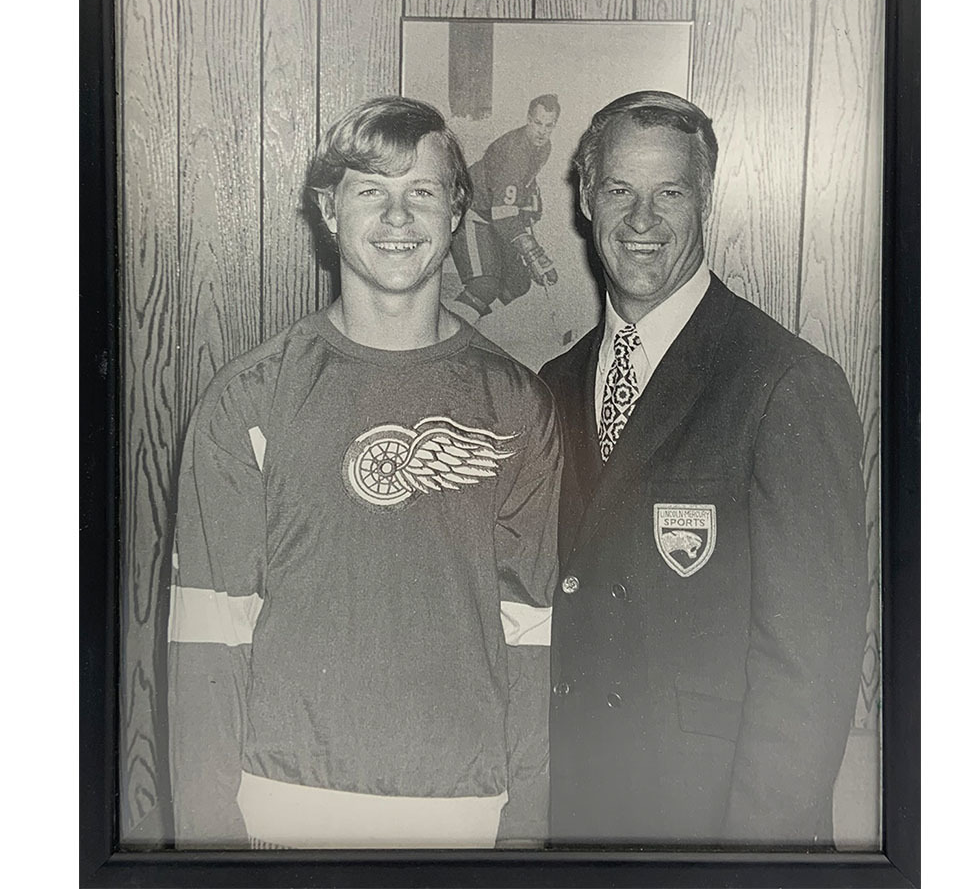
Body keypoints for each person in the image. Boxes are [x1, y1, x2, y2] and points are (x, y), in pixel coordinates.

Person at [168, 96, 561, 850]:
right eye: (370, 190)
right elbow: (206, 642)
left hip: (464, 807)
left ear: (456, 213)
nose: (397, 217)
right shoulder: (251, 398)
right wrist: (210, 847)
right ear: (327, 208)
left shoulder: (517, 405)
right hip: (284, 805)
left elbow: (533, 636)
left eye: (422, 192)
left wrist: (525, 830)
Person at [538, 91, 868, 847]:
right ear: (587, 200)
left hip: (719, 831)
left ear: (706, 200)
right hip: (580, 822)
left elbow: (810, 672)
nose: (642, 220)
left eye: (670, 192)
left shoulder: (784, 382)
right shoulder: (553, 385)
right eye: (619, 189)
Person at [450, 94, 561, 321]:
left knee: (518, 282)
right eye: (537, 123)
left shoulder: (542, 147)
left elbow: (520, 183)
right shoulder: (515, 151)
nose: (542, 131)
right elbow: (502, 213)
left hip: (493, 215)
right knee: (485, 284)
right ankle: (448, 335)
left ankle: (468, 322)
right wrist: (532, 253)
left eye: (548, 126)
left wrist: (531, 199)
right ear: (528, 119)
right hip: (470, 210)